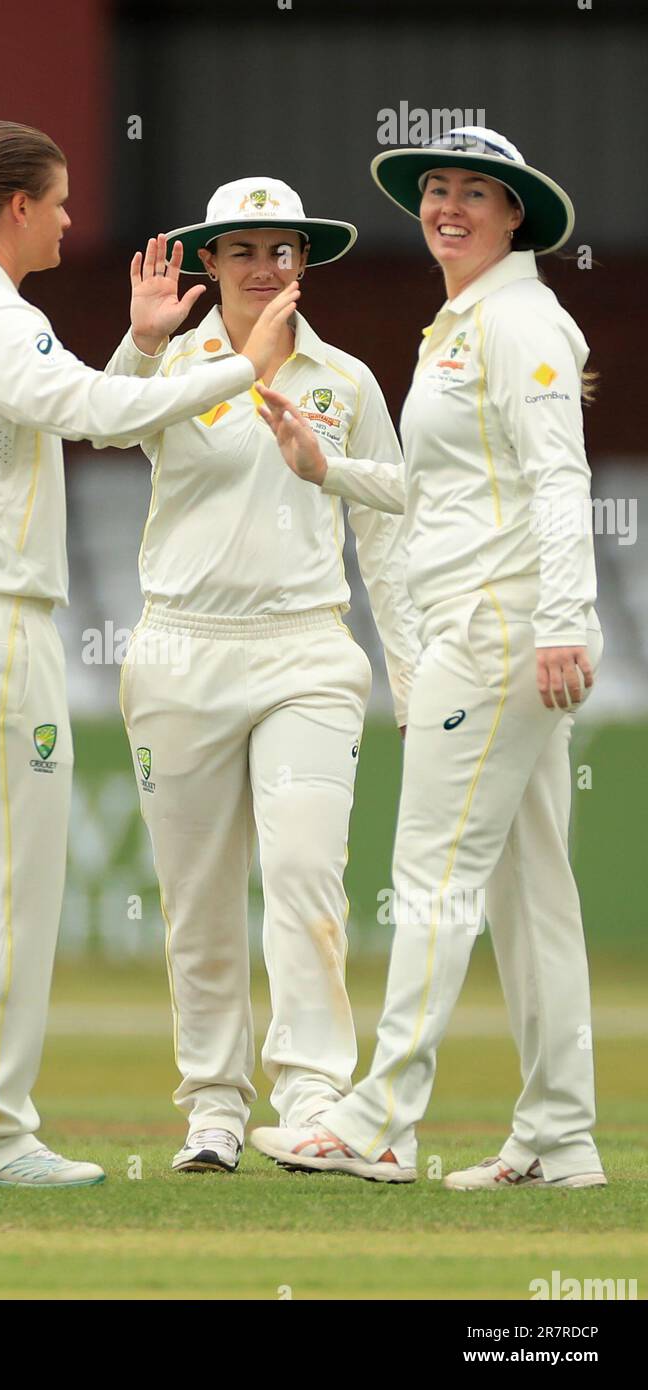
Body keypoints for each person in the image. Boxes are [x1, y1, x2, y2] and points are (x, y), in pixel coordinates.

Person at [0, 121, 299, 1189]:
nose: (72, 220)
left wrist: (146, 343)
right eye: (60, 202)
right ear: (18, 206)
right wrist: (235, 370)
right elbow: (91, 411)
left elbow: (96, 412)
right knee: (7, 892)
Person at [251, 127, 606, 1189]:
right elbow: (442, 488)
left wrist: (564, 621)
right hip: (493, 619)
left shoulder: (521, 321)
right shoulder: (461, 324)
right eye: (436, 188)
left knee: (433, 874)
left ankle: (378, 1121)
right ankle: (559, 1135)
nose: (448, 206)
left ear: (514, 215)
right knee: (529, 891)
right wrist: (329, 468)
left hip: (495, 627)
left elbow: (559, 477)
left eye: (474, 193)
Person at [104, 178, 418, 1173]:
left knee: (304, 873)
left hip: (306, 650)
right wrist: (141, 341)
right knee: (198, 897)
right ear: (208, 261)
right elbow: (103, 424)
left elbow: (388, 522)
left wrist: (411, 675)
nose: (263, 267)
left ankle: (316, 1095)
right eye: (241, 249)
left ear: (303, 261)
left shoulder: (346, 381)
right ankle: (212, 1105)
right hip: (180, 648)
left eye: (281, 249)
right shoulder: (172, 362)